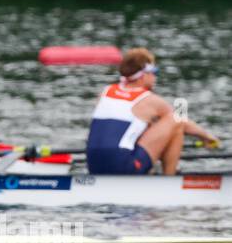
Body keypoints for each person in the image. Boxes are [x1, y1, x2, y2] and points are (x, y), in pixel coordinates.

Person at [86, 48, 220, 176]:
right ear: (143, 75)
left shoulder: (105, 92)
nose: (155, 77)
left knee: (144, 126)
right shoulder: (150, 100)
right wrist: (207, 137)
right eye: (154, 72)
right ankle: (169, 181)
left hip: (93, 164)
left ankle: (150, 174)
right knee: (176, 121)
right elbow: (183, 120)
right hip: (123, 166)